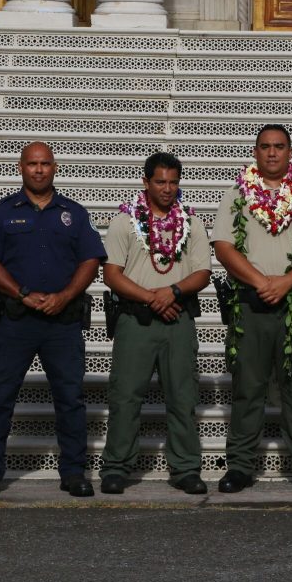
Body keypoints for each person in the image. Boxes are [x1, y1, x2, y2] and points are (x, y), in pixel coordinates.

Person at [0, 141, 105, 499]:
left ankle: (74, 472)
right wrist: (21, 294)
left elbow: (91, 259)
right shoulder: (2, 212)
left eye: (45, 163)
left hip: (62, 321)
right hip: (15, 320)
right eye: (32, 164)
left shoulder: (74, 213)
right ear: (21, 167)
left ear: (55, 167)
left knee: (70, 399)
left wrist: (63, 297)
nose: (39, 169)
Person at [212, 125, 292, 494]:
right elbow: (223, 246)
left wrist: (285, 283)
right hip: (251, 308)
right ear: (255, 152)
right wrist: (259, 281)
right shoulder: (236, 195)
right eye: (265, 147)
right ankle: (239, 466)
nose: (272, 153)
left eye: (279, 147)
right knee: (247, 388)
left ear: (290, 151)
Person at [99, 152, 212, 495]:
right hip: (137, 319)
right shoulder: (125, 222)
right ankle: (117, 467)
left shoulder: (191, 222)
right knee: (125, 396)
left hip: (177, 318)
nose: (167, 189)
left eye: (173, 182)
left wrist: (172, 292)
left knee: (182, 395)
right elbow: (111, 275)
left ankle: (186, 468)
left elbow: (202, 273)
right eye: (160, 182)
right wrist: (152, 297)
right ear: (145, 182)